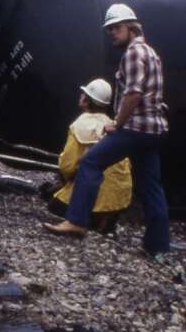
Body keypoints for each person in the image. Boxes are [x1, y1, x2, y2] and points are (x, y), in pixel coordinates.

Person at [48, 4, 171, 260]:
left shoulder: (133, 54)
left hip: (135, 129)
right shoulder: (152, 53)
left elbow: (134, 93)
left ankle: (77, 222)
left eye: (116, 28)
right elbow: (151, 93)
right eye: (110, 30)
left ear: (131, 27)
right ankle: (157, 246)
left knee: (90, 162)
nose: (112, 33)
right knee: (151, 186)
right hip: (154, 131)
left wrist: (117, 123)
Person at [42, 78, 132, 236]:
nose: (80, 95)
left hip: (93, 192)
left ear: (86, 100)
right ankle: (105, 218)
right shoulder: (113, 125)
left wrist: (67, 179)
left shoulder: (79, 125)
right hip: (119, 199)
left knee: (53, 204)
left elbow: (67, 166)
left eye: (83, 93)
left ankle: (86, 219)